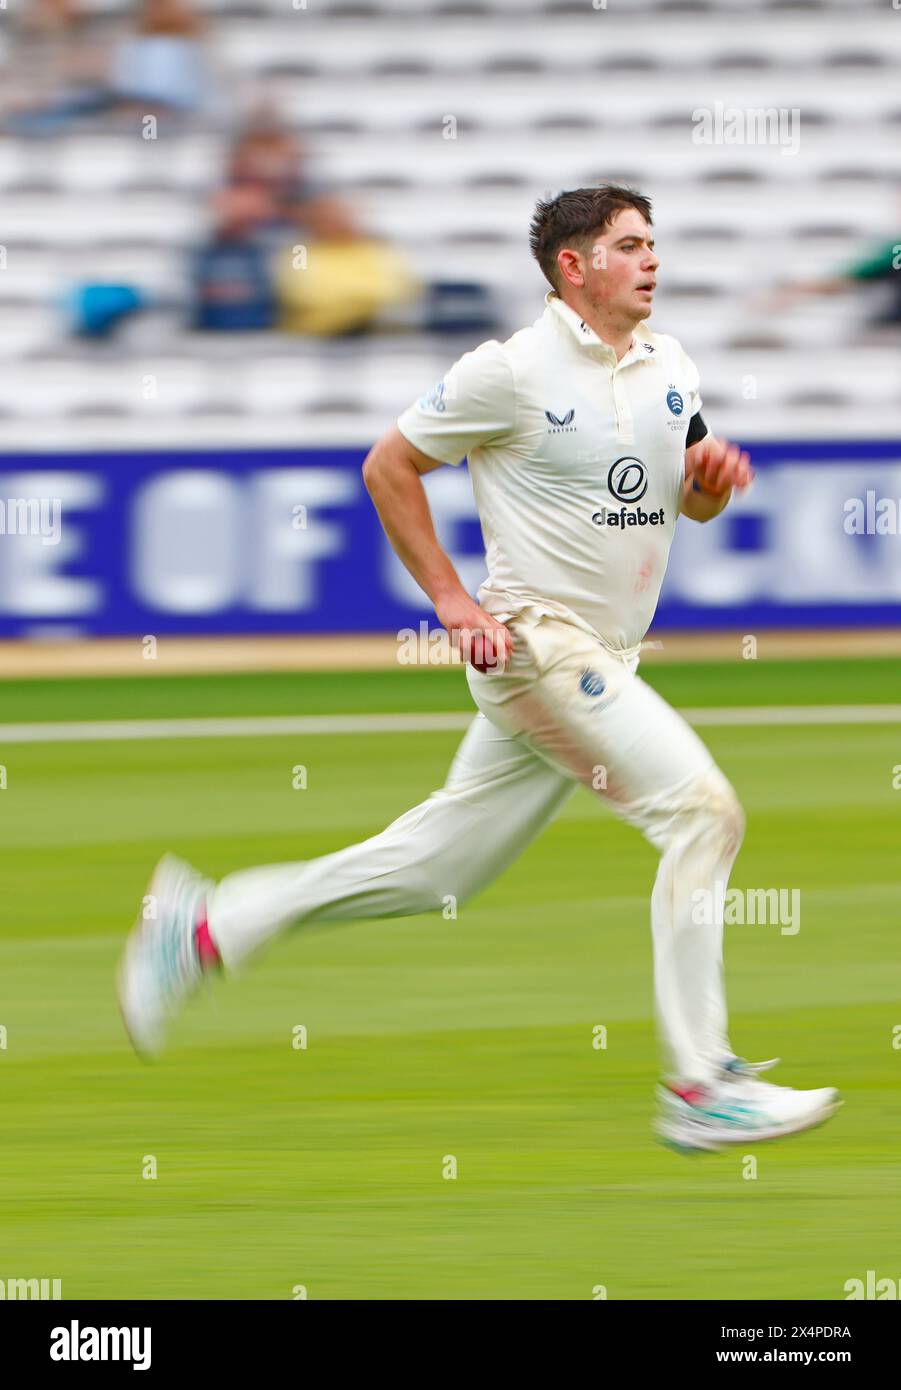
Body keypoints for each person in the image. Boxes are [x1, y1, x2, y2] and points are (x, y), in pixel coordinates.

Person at [117, 184, 841, 1154]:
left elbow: (686, 495)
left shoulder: (670, 364)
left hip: (596, 660)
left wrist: (710, 485)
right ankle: (698, 1083)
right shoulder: (508, 370)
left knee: (433, 868)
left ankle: (205, 927)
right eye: (629, 246)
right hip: (535, 645)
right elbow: (387, 466)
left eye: (653, 243)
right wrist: (453, 603)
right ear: (573, 267)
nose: (652, 260)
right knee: (704, 812)